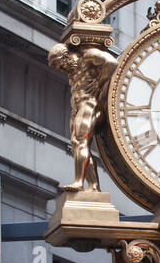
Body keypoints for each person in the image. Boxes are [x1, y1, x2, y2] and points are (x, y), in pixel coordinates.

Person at [48, 42, 118, 192]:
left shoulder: (87, 56)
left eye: (60, 65)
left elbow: (112, 63)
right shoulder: (72, 71)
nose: (61, 69)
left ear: (65, 56)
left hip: (90, 104)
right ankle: (93, 187)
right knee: (77, 144)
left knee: (80, 142)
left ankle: (79, 182)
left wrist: (99, 84)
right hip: (78, 107)